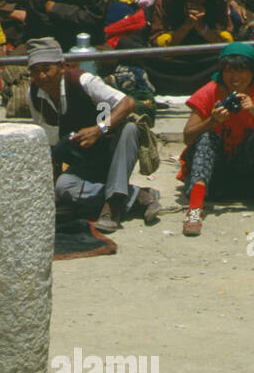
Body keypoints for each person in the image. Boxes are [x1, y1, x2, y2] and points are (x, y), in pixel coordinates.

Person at [27, 36, 158, 232]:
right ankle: (139, 195)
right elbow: (49, 144)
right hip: (86, 162)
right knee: (63, 188)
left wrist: (99, 130)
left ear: (61, 66)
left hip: (114, 153)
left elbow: (127, 103)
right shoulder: (35, 95)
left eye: (46, 69)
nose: (42, 76)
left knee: (130, 129)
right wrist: (53, 190)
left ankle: (113, 206)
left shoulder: (83, 81)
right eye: (35, 71)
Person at [179, 41, 254, 238]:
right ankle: (195, 210)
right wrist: (211, 121)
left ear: (253, 72)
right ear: (221, 72)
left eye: (242, 71)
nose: (235, 77)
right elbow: (188, 138)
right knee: (206, 137)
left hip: (247, 172)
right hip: (215, 176)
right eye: (229, 71)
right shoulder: (209, 91)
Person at [136, 0, 236, 95]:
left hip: (206, 61)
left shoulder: (218, 0)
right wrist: (186, 26)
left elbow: (227, 43)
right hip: (173, 62)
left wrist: (202, 28)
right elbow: (157, 43)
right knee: (130, 48)